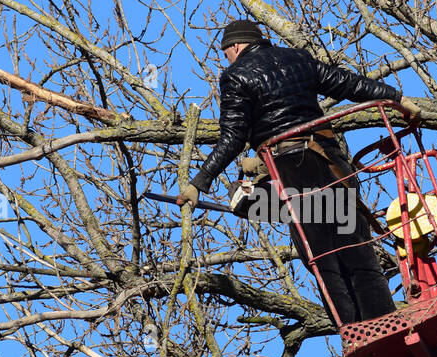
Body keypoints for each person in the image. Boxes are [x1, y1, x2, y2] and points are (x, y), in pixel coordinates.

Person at [177, 18, 420, 327]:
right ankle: (387, 327)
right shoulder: (298, 58)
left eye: (225, 52)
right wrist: (396, 98)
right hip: (332, 163)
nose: (225, 58)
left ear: (236, 46)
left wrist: (200, 182)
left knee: (320, 255)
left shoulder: (235, 76)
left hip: (292, 170)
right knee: (357, 250)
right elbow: (348, 83)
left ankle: (356, 334)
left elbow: (233, 136)